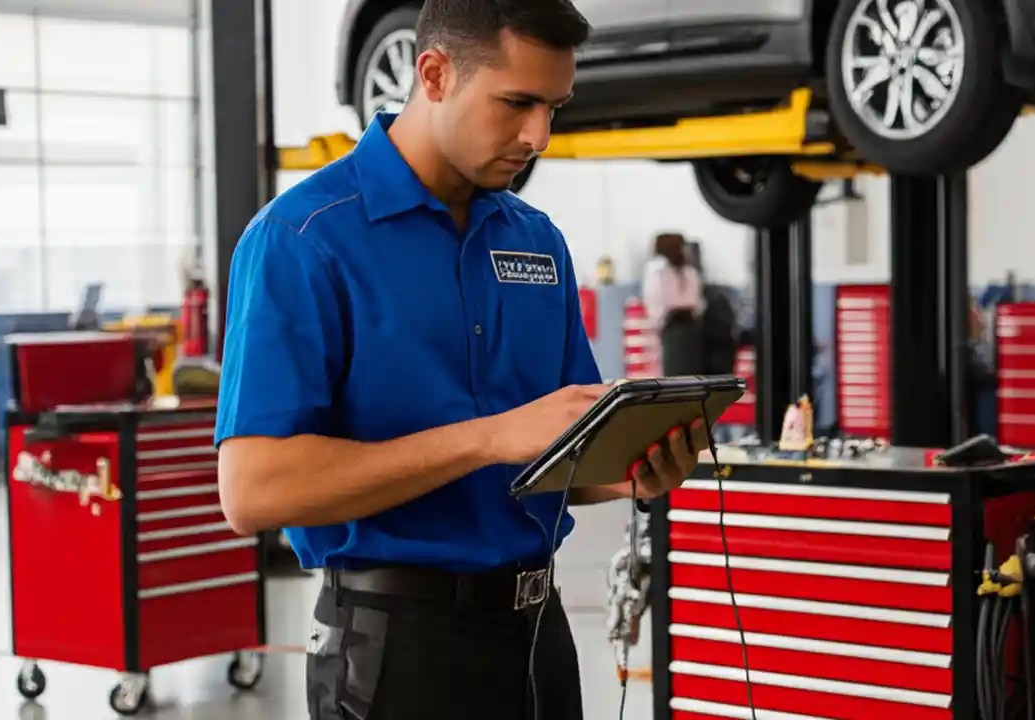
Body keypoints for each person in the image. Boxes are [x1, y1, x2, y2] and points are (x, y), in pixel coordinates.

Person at [213, 2, 707, 719]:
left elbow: (556, 453)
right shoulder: (303, 239)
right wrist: (487, 438)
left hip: (541, 637)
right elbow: (252, 491)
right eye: (516, 103)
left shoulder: (537, 241)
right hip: (397, 650)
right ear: (435, 74)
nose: (537, 134)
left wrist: (632, 467)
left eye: (554, 107)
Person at [642, 232, 706, 377]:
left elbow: (696, 301)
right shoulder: (660, 270)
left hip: (683, 327)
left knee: (683, 375)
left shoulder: (687, 271)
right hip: (676, 325)